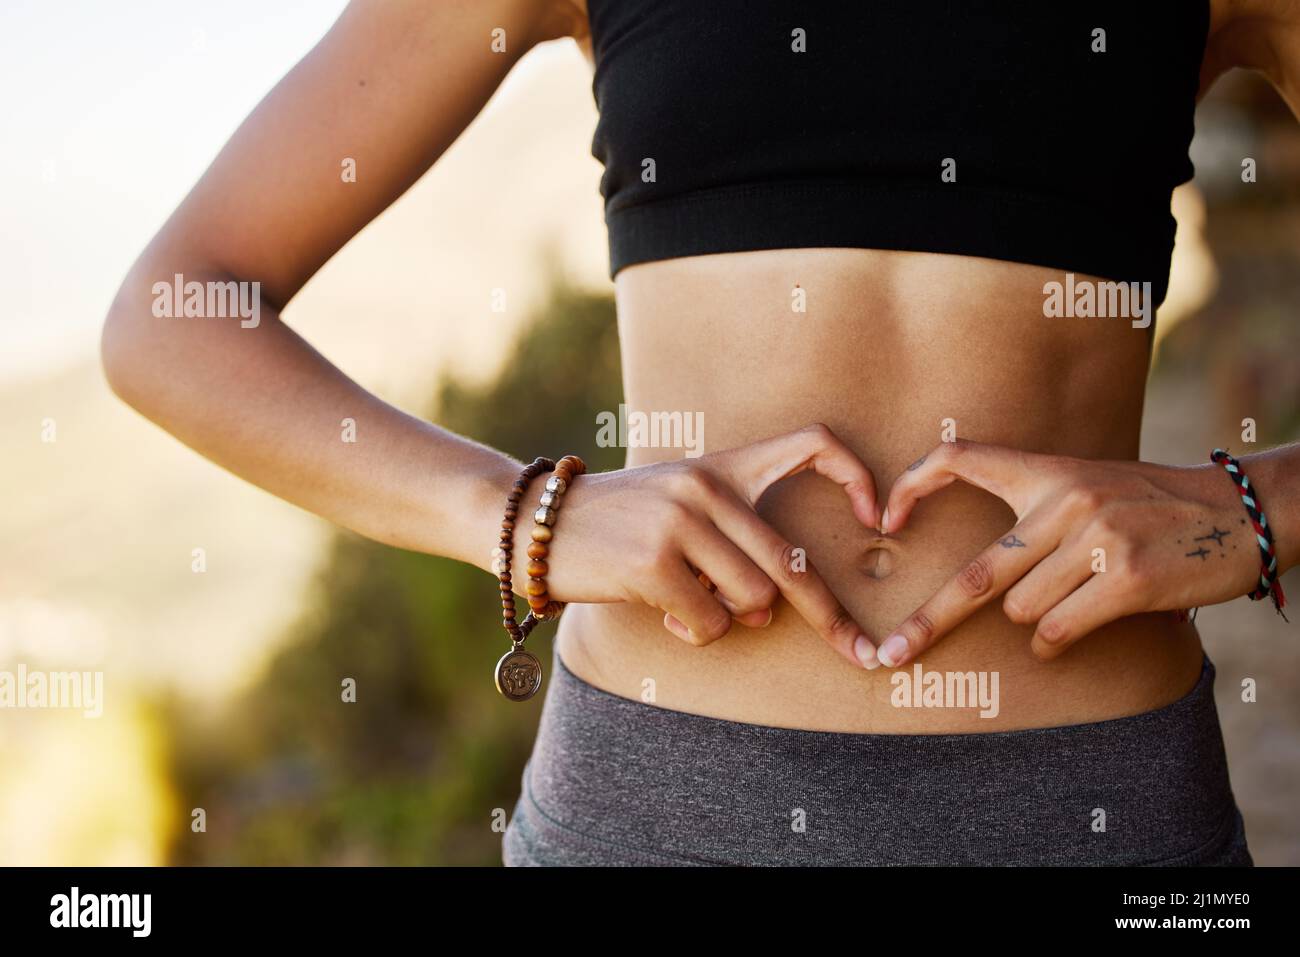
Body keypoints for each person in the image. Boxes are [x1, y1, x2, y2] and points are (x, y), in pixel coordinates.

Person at [102, 0, 1300, 865]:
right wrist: (522, 516)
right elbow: (176, 312)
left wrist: (1250, 508)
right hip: (655, 807)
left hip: (1091, 804)